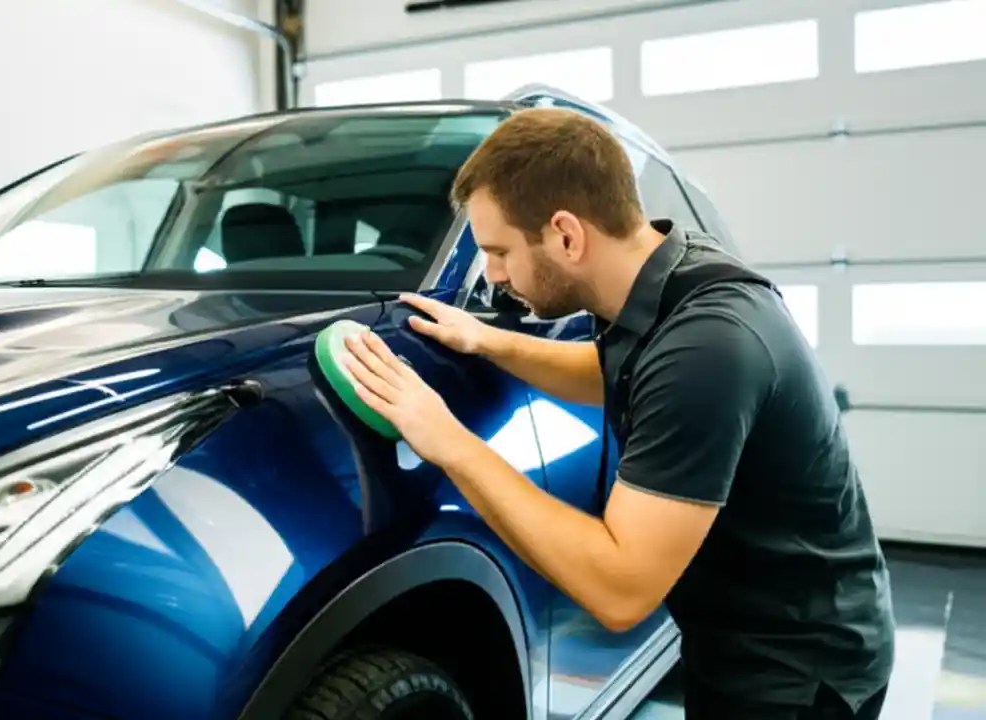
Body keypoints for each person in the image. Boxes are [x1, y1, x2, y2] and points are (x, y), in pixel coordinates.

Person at [340, 107, 896, 719]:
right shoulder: (660, 276)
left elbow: (620, 588)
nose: (493, 277)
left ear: (566, 236)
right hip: (740, 636)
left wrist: (444, 437)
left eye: (498, 252)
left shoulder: (708, 344)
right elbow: (618, 373)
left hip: (795, 671)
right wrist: (490, 341)